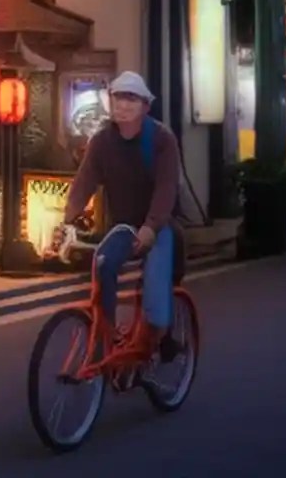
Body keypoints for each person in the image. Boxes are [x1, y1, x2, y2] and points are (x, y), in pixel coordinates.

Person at [61, 71, 181, 360]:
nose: (123, 105)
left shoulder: (162, 139)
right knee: (103, 264)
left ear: (144, 106)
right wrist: (67, 219)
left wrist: (151, 226)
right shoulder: (102, 141)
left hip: (159, 224)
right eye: (118, 97)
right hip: (124, 225)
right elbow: (85, 181)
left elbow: (167, 188)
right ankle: (106, 335)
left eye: (132, 99)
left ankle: (160, 337)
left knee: (155, 288)